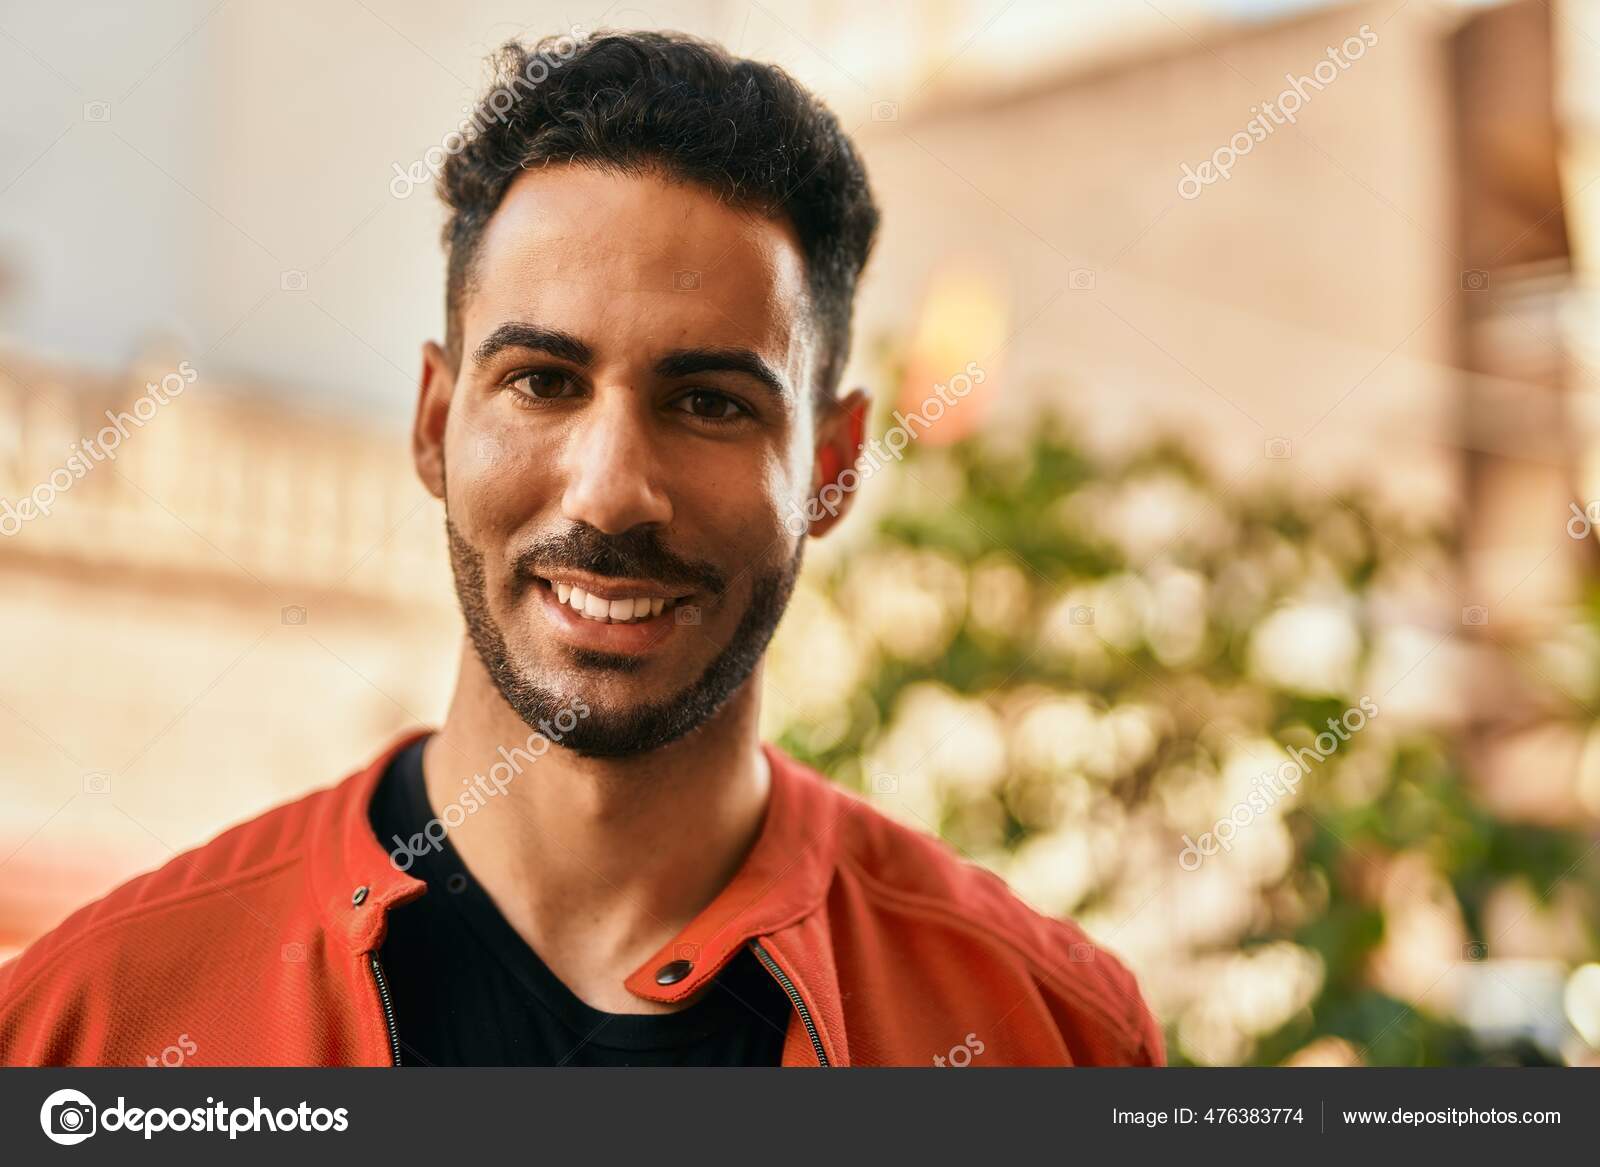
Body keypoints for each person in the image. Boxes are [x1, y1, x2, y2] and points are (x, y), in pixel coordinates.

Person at [0, 30, 1161, 1067]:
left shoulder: (1046, 1040)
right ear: (434, 424)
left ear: (832, 466)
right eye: (543, 382)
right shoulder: (90, 1034)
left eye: (709, 402)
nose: (611, 494)